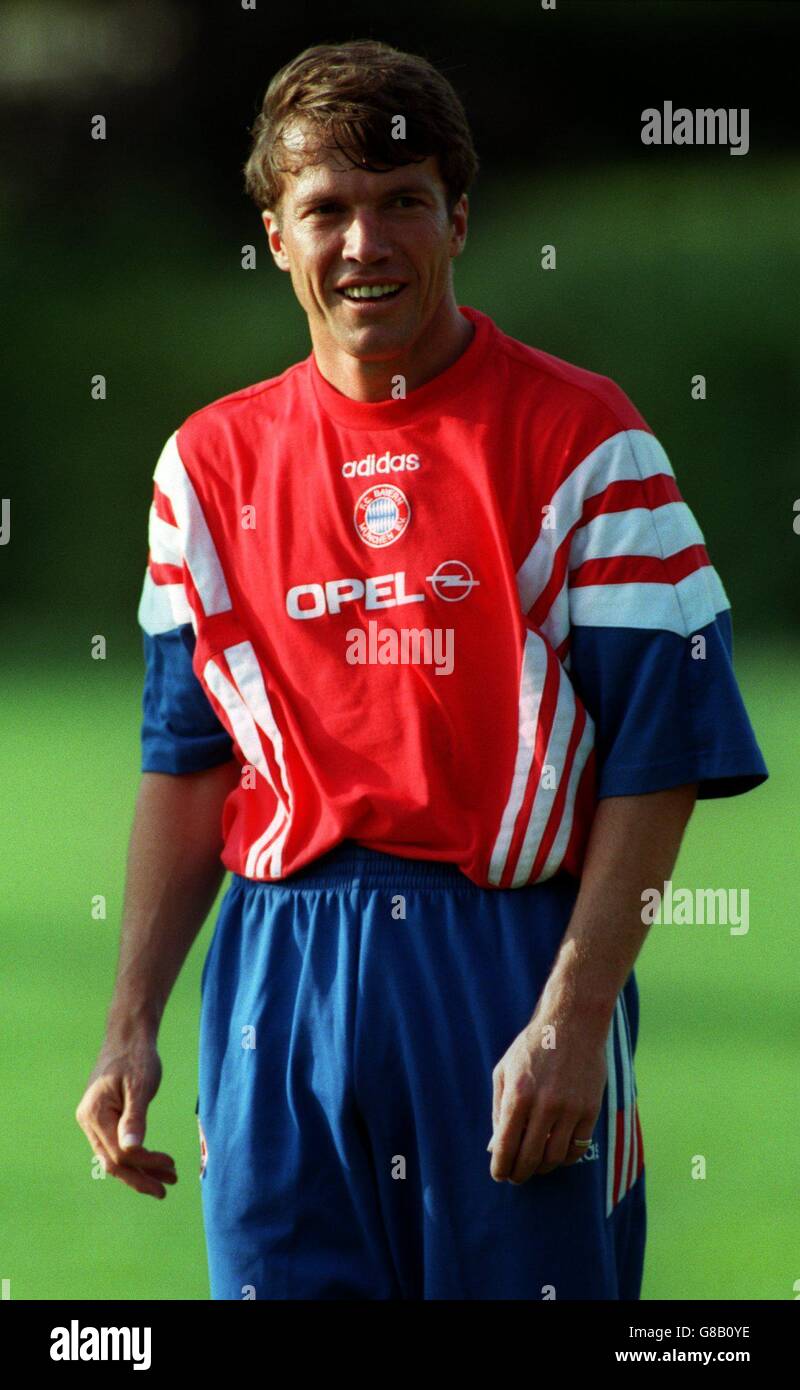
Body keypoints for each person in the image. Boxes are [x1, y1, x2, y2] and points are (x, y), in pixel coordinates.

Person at [76, 39, 768, 1300]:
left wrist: (568, 1014)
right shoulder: (206, 466)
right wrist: (131, 1022)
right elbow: (185, 765)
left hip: (503, 962)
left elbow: (660, 759)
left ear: (457, 217)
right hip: (276, 974)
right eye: (325, 210)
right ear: (276, 237)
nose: (364, 244)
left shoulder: (586, 441)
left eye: (400, 202)